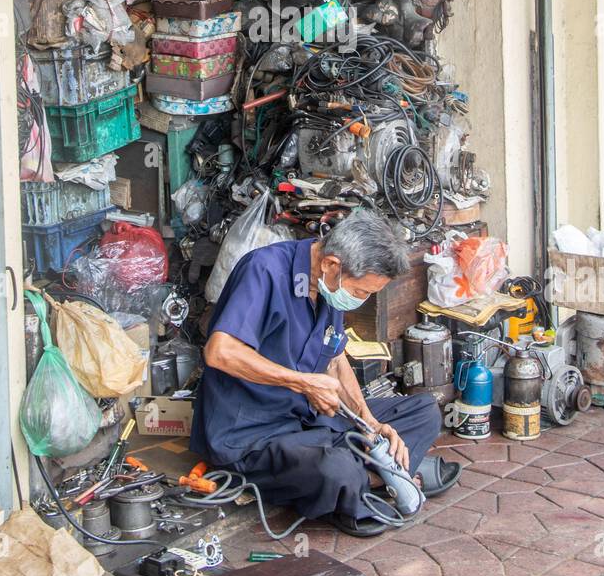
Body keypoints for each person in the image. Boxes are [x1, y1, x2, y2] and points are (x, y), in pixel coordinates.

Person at [191, 208, 461, 536]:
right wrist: (302, 382)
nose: (360, 301)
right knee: (335, 468)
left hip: (313, 420)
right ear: (332, 264)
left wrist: (371, 424)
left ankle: (369, 479)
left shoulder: (329, 285)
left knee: (424, 411)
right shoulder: (264, 270)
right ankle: (375, 479)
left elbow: (334, 359)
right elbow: (220, 352)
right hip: (253, 434)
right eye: (361, 292)